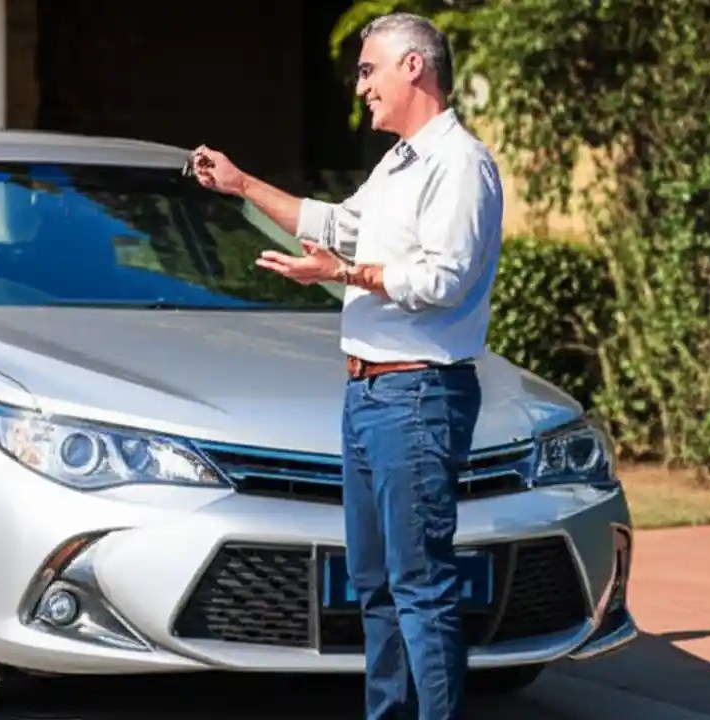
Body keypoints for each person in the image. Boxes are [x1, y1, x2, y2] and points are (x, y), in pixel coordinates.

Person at [189, 12, 502, 720]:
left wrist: (346, 273)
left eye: (369, 70)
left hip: (418, 395)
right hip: (369, 396)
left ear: (413, 68)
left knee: (421, 585)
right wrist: (241, 185)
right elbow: (332, 225)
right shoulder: (399, 163)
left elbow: (442, 279)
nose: (360, 86)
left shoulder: (460, 165)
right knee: (376, 586)